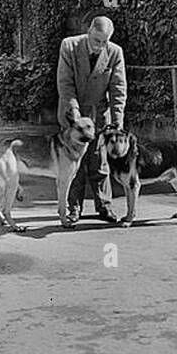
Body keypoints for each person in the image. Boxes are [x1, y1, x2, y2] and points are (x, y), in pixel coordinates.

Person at [56, 15, 127, 226]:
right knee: (73, 164)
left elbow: (118, 89)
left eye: (105, 41)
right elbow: (65, 82)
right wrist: (75, 113)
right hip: (73, 116)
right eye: (97, 40)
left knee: (99, 162)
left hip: (98, 116)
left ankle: (104, 206)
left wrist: (117, 122)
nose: (100, 46)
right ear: (88, 32)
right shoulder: (69, 46)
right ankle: (74, 208)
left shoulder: (115, 52)